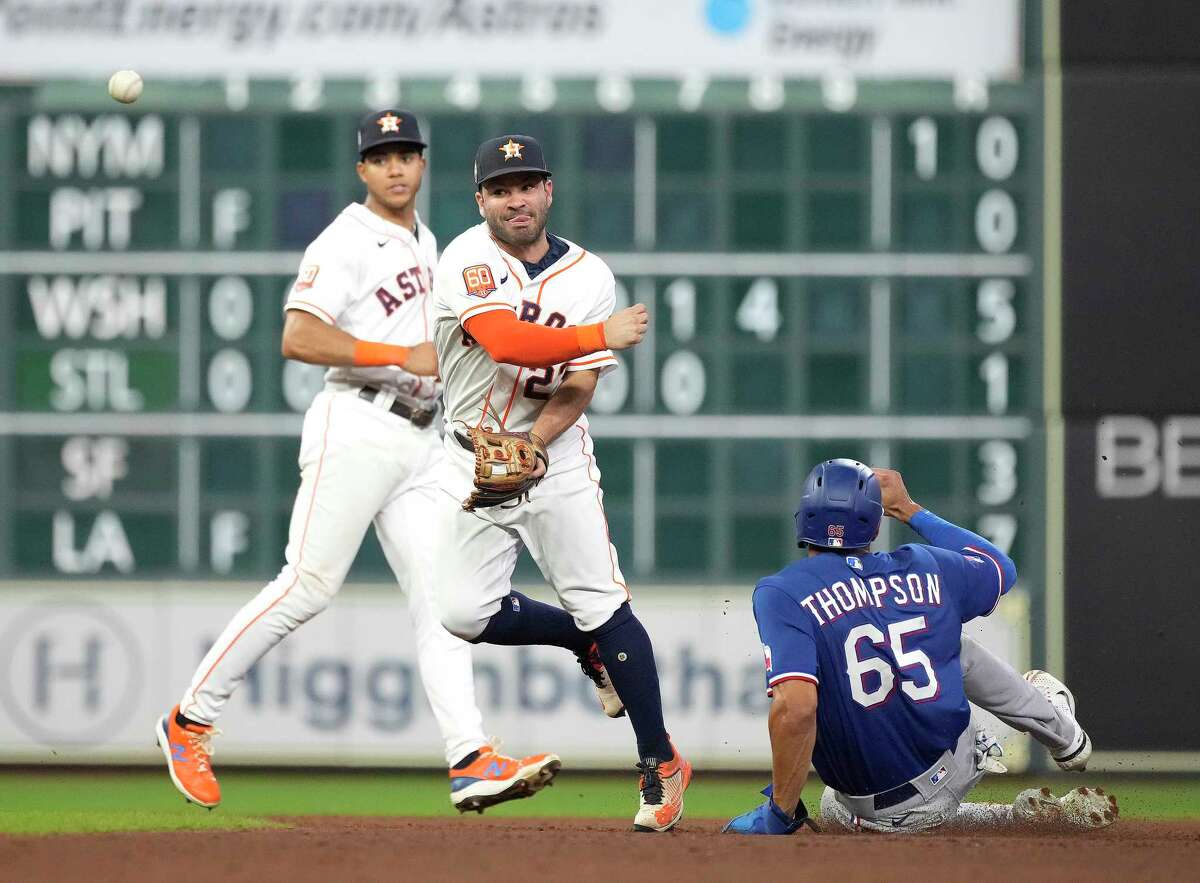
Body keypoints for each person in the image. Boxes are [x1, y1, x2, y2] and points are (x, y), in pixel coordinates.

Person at [155, 110, 558, 815]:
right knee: (308, 584)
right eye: (381, 157)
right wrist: (399, 354)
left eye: (406, 154)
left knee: (442, 601)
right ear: (362, 170)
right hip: (358, 423)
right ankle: (190, 718)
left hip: (422, 439)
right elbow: (298, 334)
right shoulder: (346, 238)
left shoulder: (427, 240)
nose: (395, 167)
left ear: (423, 164)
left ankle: (469, 758)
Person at [428, 134, 692, 832]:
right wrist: (599, 333)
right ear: (480, 200)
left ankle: (661, 762)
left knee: (603, 601)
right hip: (470, 455)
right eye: (501, 189)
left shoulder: (589, 276)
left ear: (548, 190)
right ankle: (582, 643)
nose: (516, 199)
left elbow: (578, 385)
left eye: (527, 184)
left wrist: (537, 446)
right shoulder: (466, 259)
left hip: (555, 459)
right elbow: (508, 342)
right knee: (462, 613)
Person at [724, 459, 1118, 834]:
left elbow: (796, 707)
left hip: (872, 807)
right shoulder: (925, 565)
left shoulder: (783, 592)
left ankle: (990, 811)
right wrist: (909, 509)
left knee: (826, 717)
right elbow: (1000, 567)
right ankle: (1061, 740)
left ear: (803, 517)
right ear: (874, 524)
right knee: (946, 643)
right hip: (954, 758)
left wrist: (780, 812)